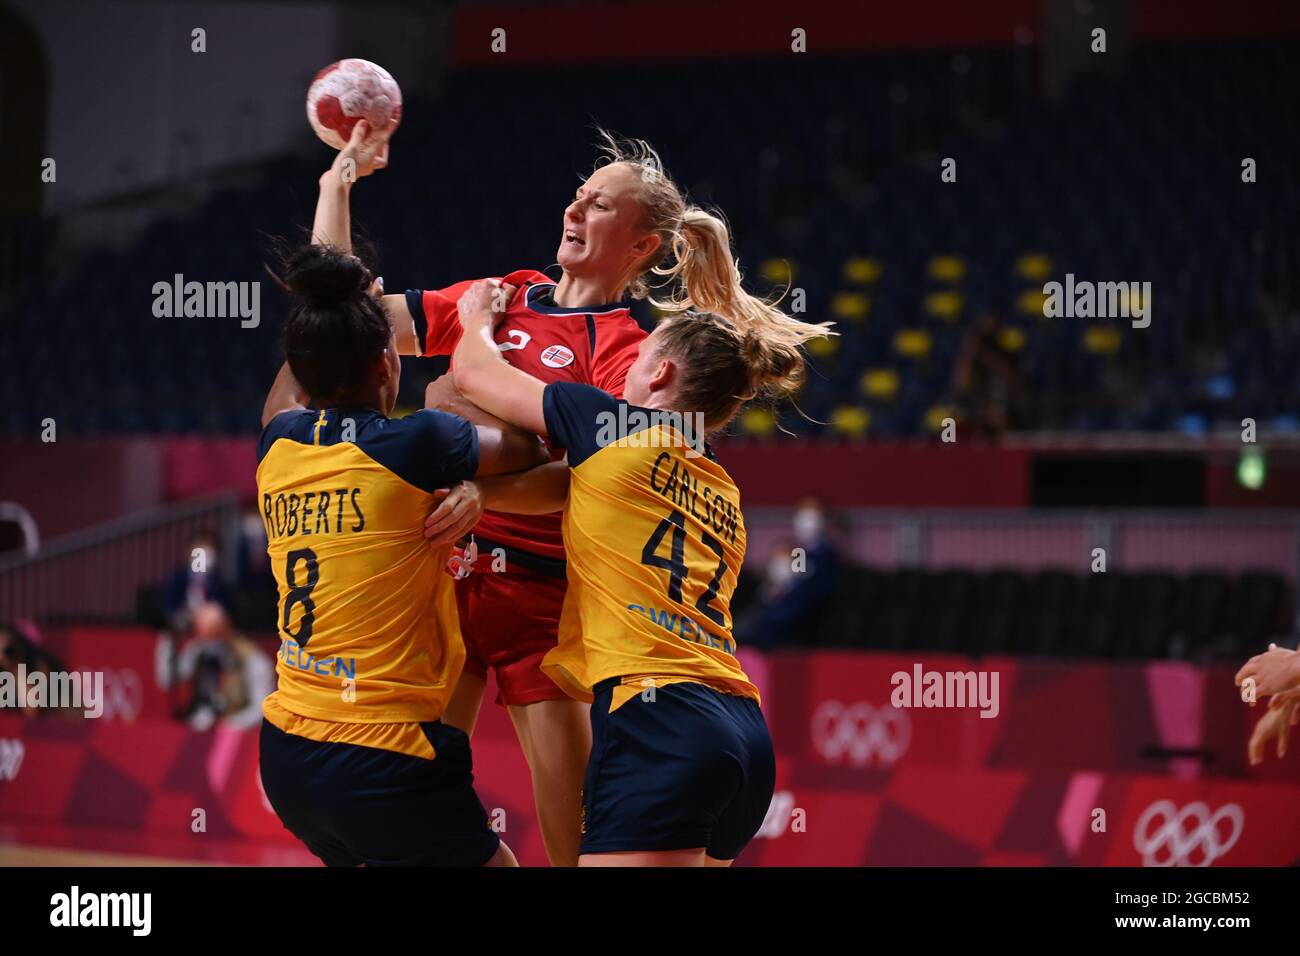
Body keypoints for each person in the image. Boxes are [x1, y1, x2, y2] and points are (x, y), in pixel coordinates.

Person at [313, 118, 764, 864]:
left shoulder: (627, 349)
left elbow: (593, 479)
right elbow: (351, 326)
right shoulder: (506, 294)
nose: (574, 211)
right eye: (576, 196)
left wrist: (484, 487)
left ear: (642, 244)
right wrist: (339, 186)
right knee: (396, 792)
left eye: (597, 205)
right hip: (443, 574)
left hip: (541, 602)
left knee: (577, 837)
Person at [438, 265, 831, 865]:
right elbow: (574, 488)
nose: (628, 370)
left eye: (640, 356)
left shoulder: (608, 423)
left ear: (662, 372)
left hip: (659, 719)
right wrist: (485, 499)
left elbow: (471, 374)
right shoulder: (719, 485)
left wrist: (475, 320)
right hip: (742, 730)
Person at [255, 237, 546, 866]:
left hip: (286, 751)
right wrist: (477, 332)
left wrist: (333, 295)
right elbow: (533, 451)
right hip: (384, 753)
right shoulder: (421, 443)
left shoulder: (277, 442)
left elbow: (291, 384)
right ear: (389, 368)